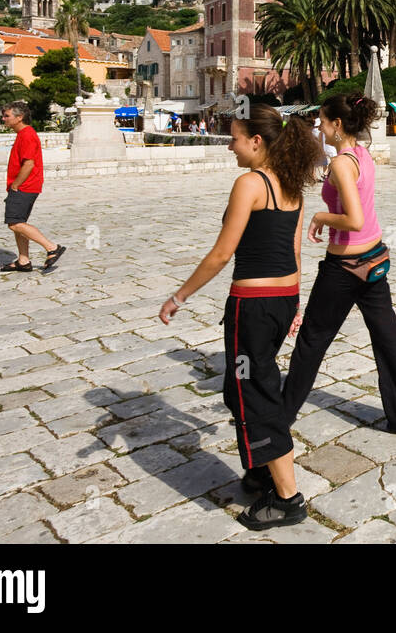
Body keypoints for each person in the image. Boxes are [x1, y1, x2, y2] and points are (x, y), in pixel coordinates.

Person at [158, 103, 319, 529]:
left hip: (252, 306)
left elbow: (222, 253)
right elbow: (296, 252)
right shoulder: (293, 187)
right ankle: (262, 464)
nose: (230, 146)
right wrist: (295, 305)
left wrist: (179, 296)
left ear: (256, 141)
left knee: (255, 393)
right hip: (282, 300)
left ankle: (288, 498)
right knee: (239, 385)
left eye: (233, 138)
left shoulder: (250, 183)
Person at [283, 95, 396, 441]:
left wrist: (320, 215)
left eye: (322, 119)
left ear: (337, 123)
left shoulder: (341, 164)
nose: (318, 125)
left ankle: (280, 415)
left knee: (312, 340)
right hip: (375, 258)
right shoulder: (363, 155)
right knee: (388, 337)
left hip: (345, 266)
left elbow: (353, 218)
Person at [0, 101, 66, 273]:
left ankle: (52, 247)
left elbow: (29, 164)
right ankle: (23, 260)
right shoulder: (23, 134)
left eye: (7, 116)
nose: (3, 118)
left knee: (14, 223)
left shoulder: (27, 135)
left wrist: (16, 185)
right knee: (19, 222)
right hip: (25, 186)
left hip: (25, 187)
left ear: (19, 117)